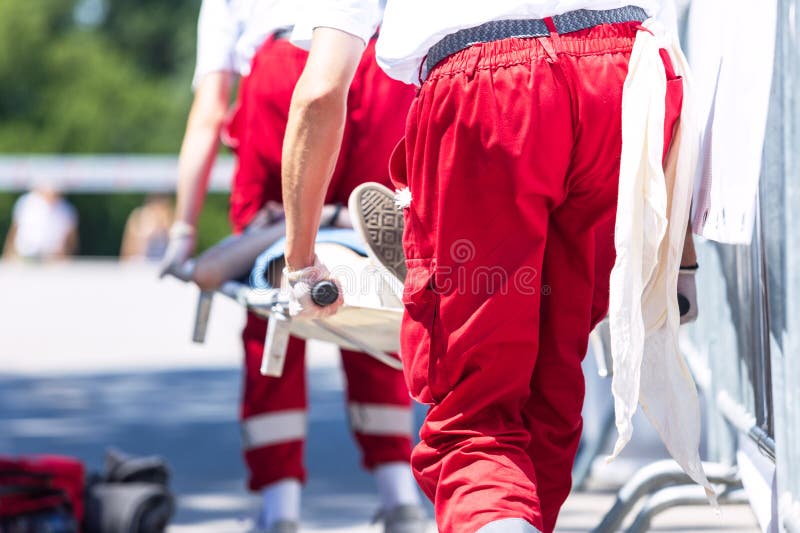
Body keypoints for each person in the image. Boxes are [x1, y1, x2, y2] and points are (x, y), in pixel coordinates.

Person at [279, 2, 701, 532]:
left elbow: (321, 90)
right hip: (625, 79)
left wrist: (301, 261)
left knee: (475, 414)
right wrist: (683, 261)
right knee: (550, 382)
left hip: (492, 93)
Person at [159, 2, 424, 532]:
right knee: (371, 289)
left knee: (275, 294)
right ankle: (400, 497)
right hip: (370, 64)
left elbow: (210, 111)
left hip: (284, 69)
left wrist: (183, 230)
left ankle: (280, 509)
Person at [3, 182, 78, 261]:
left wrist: (66, 256)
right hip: (24, 257)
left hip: (53, 260)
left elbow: (71, 239)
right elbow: (14, 231)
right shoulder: (26, 202)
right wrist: (8, 255)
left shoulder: (67, 209)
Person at [119, 194, 173, 261]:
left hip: (160, 264)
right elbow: (127, 251)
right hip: (140, 264)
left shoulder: (170, 219)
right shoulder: (138, 216)